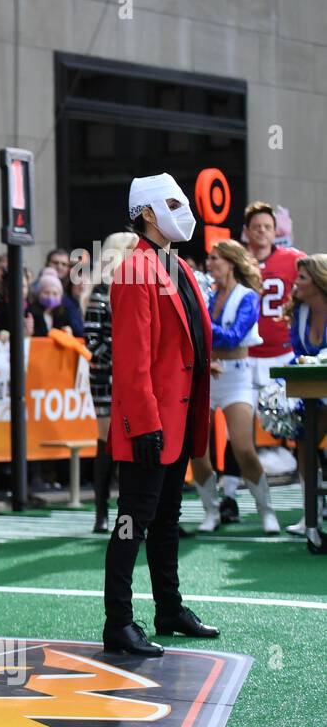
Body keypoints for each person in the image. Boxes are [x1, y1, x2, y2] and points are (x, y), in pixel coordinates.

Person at [103, 172, 219, 657]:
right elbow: (132, 359)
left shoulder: (177, 266)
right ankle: (118, 624)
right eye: (174, 202)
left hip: (177, 420)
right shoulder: (135, 269)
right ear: (147, 213)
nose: (185, 209)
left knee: (167, 520)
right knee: (133, 522)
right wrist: (145, 423)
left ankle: (168, 608)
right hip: (150, 424)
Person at [190, 239, 280, 534]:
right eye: (210, 259)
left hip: (237, 377)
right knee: (198, 451)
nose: (210, 264)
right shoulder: (207, 295)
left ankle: (266, 510)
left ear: (231, 261)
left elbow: (233, 335)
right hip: (205, 374)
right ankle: (211, 511)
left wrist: (200, 321)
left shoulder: (247, 296)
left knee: (243, 447)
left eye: (216, 258)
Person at [228, 201, 307, 522]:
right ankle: (230, 497)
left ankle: (313, 501)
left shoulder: (294, 259)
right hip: (245, 359)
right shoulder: (235, 262)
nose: (262, 232)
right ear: (246, 232)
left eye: (267, 227)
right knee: (239, 434)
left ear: (277, 232)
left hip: (285, 355)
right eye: (256, 227)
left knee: (303, 429)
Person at [85, 232, 138, 532]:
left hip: (131, 375)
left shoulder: (136, 288)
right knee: (108, 443)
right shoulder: (102, 292)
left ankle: (124, 513)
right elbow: (91, 343)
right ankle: (101, 512)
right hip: (107, 377)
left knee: (129, 441)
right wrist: (121, 351)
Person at [285, 254, 327, 536]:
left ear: (318, 280)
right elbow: (297, 355)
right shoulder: (300, 314)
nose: (296, 283)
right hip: (316, 392)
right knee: (304, 441)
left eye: (302, 277)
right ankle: (310, 511)